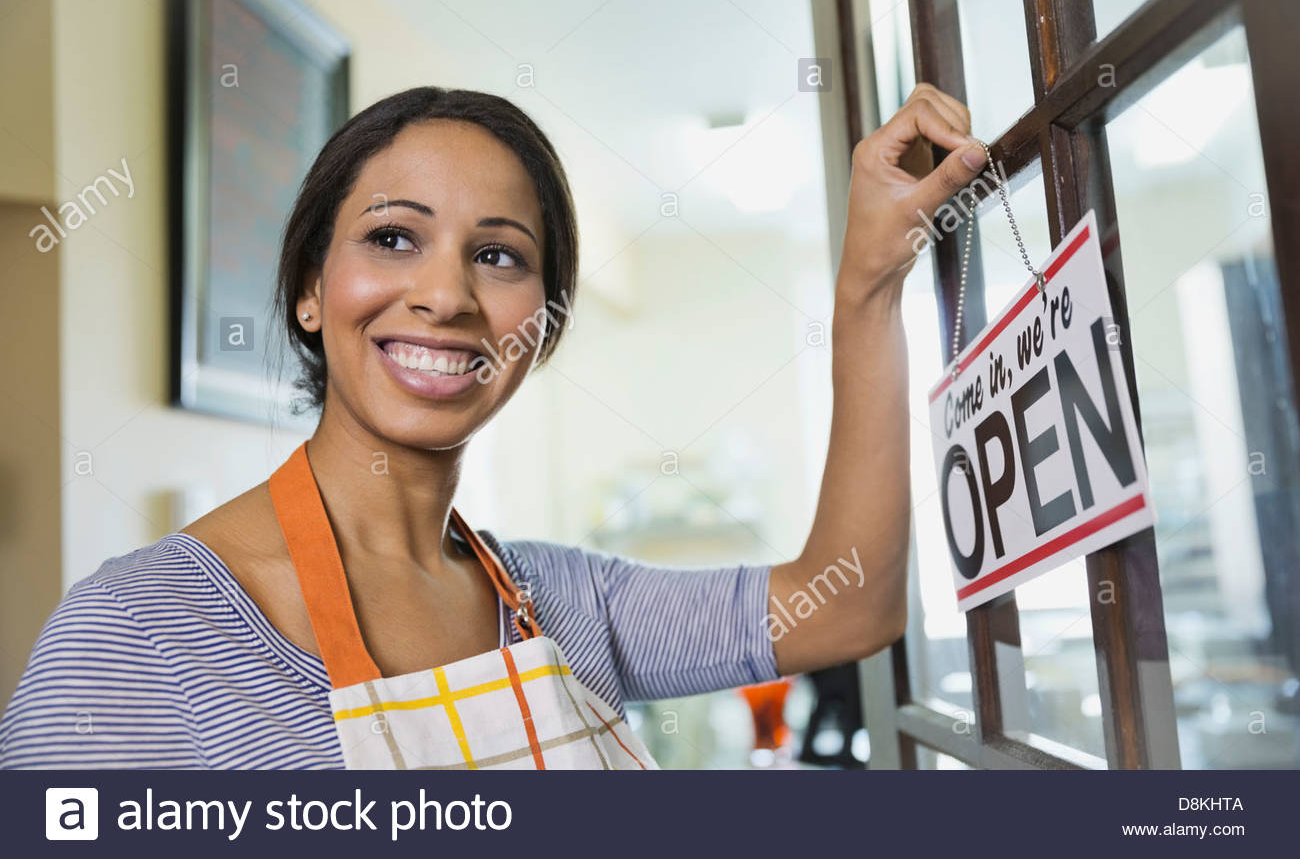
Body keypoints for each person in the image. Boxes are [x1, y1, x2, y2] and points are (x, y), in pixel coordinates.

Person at [0, 83, 985, 769]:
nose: (444, 294)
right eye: (394, 236)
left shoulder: (559, 603)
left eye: (500, 256)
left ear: (541, 328)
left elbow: (842, 605)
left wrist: (865, 289)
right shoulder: (137, 634)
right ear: (309, 287)